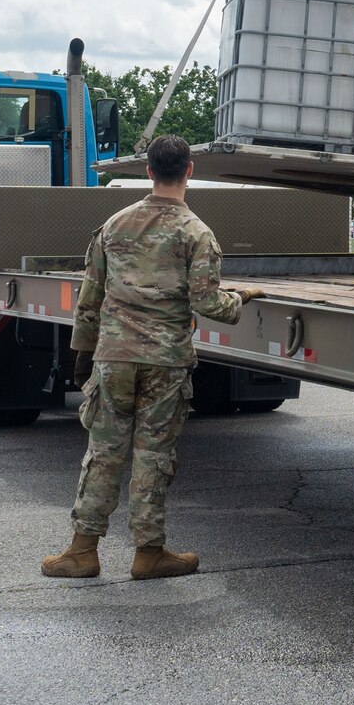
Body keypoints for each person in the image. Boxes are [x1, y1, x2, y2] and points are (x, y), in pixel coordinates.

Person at [43, 135, 265, 581]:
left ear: (147, 171)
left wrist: (82, 357)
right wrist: (242, 296)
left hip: (114, 357)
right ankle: (149, 553)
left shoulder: (114, 225)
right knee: (152, 455)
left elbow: (90, 298)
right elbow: (208, 303)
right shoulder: (196, 232)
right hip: (166, 362)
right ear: (189, 172)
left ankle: (82, 551)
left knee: (104, 452)